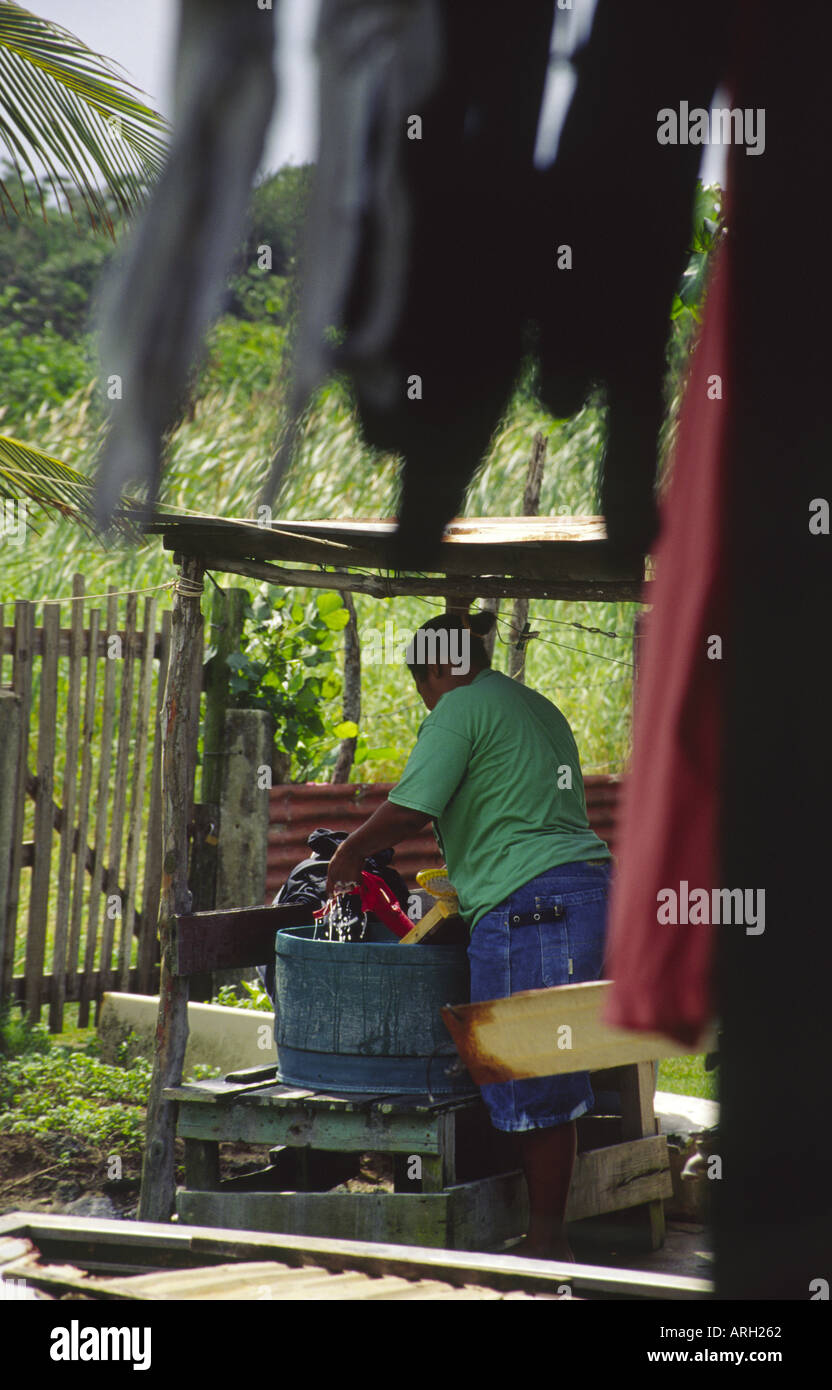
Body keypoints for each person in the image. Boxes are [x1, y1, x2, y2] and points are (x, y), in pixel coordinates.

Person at [327, 611, 612, 1260]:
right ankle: (548, 1238)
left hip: (530, 906)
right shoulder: (532, 706)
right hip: (585, 892)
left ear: (437, 671)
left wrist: (347, 852)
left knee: (527, 1072)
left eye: (424, 692)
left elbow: (412, 806)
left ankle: (545, 1246)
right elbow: (520, 809)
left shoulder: (457, 708)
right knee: (553, 1071)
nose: (429, 705)